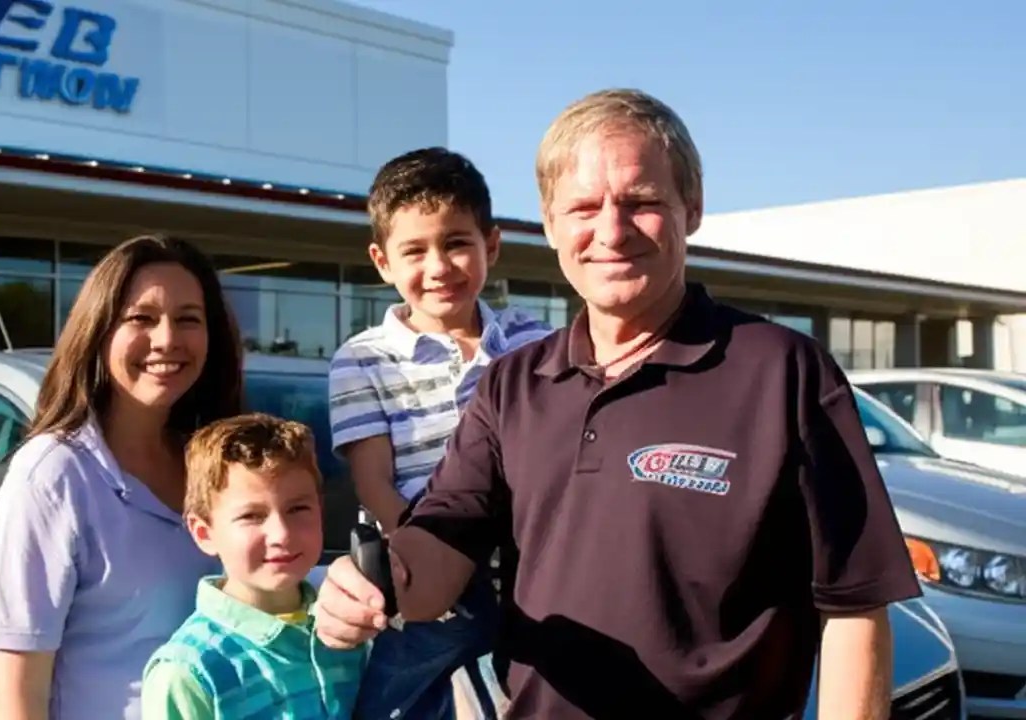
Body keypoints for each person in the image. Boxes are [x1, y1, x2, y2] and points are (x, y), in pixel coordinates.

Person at [314, 88, 922, 720]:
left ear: (693, 208)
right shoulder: (513, 383)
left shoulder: (783, 372)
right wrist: (374, 583)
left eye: (641, 202)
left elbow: (854, 605)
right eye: (583, 206)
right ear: (549, 224)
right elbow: (443, 543)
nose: (611, 231)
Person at [328, 147, 553, 718]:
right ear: (382, 261)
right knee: (394, 701)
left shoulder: (535, 343)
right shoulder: (364, 359)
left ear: (491, 246)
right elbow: (374, 481)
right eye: (414, 250)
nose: (439, 266)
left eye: (457, 242)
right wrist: (428, 559)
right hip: (423, 569)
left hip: (529, 568)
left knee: (525, 695)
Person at [0, 235, 244, 720]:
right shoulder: (55, 473)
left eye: (189, 318)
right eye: (140, 318)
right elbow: (13, 687)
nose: (167, 339)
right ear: (99, 330)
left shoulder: (221, 465)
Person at [141, 413, 369, 719]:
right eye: (252, 516)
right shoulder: (189, 672)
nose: (281, 534)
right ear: (204, 533)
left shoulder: (348, 629)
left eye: (297, 508)